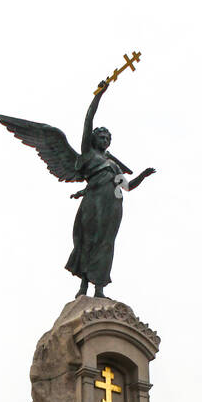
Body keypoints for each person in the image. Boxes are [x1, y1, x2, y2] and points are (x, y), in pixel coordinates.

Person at [66, 80, 155, 297]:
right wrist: (99, 95)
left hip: (112, 205)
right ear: (94, 138)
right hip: (93, 201)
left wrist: (143, 175)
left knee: (106, 243)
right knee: (88, 239)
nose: (104, 139)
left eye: (108, 138)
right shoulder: (88, 153)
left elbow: (128, 186)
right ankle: (83, 286)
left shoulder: (113, 165)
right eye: (101, 136)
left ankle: (99, 289)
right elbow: (89, 119)